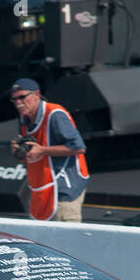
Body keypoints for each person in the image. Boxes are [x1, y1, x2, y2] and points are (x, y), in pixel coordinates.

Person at [9, 78, 89, 223]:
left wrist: (43, 150)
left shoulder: (55, 114)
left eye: (22, 97)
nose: (18, 102)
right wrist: (20, 153)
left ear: (37, 95)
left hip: (64, 188)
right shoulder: (24, 118)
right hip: (42, 189)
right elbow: (32, 154)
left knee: (65, 238)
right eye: (14, 99)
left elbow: (79, 147)